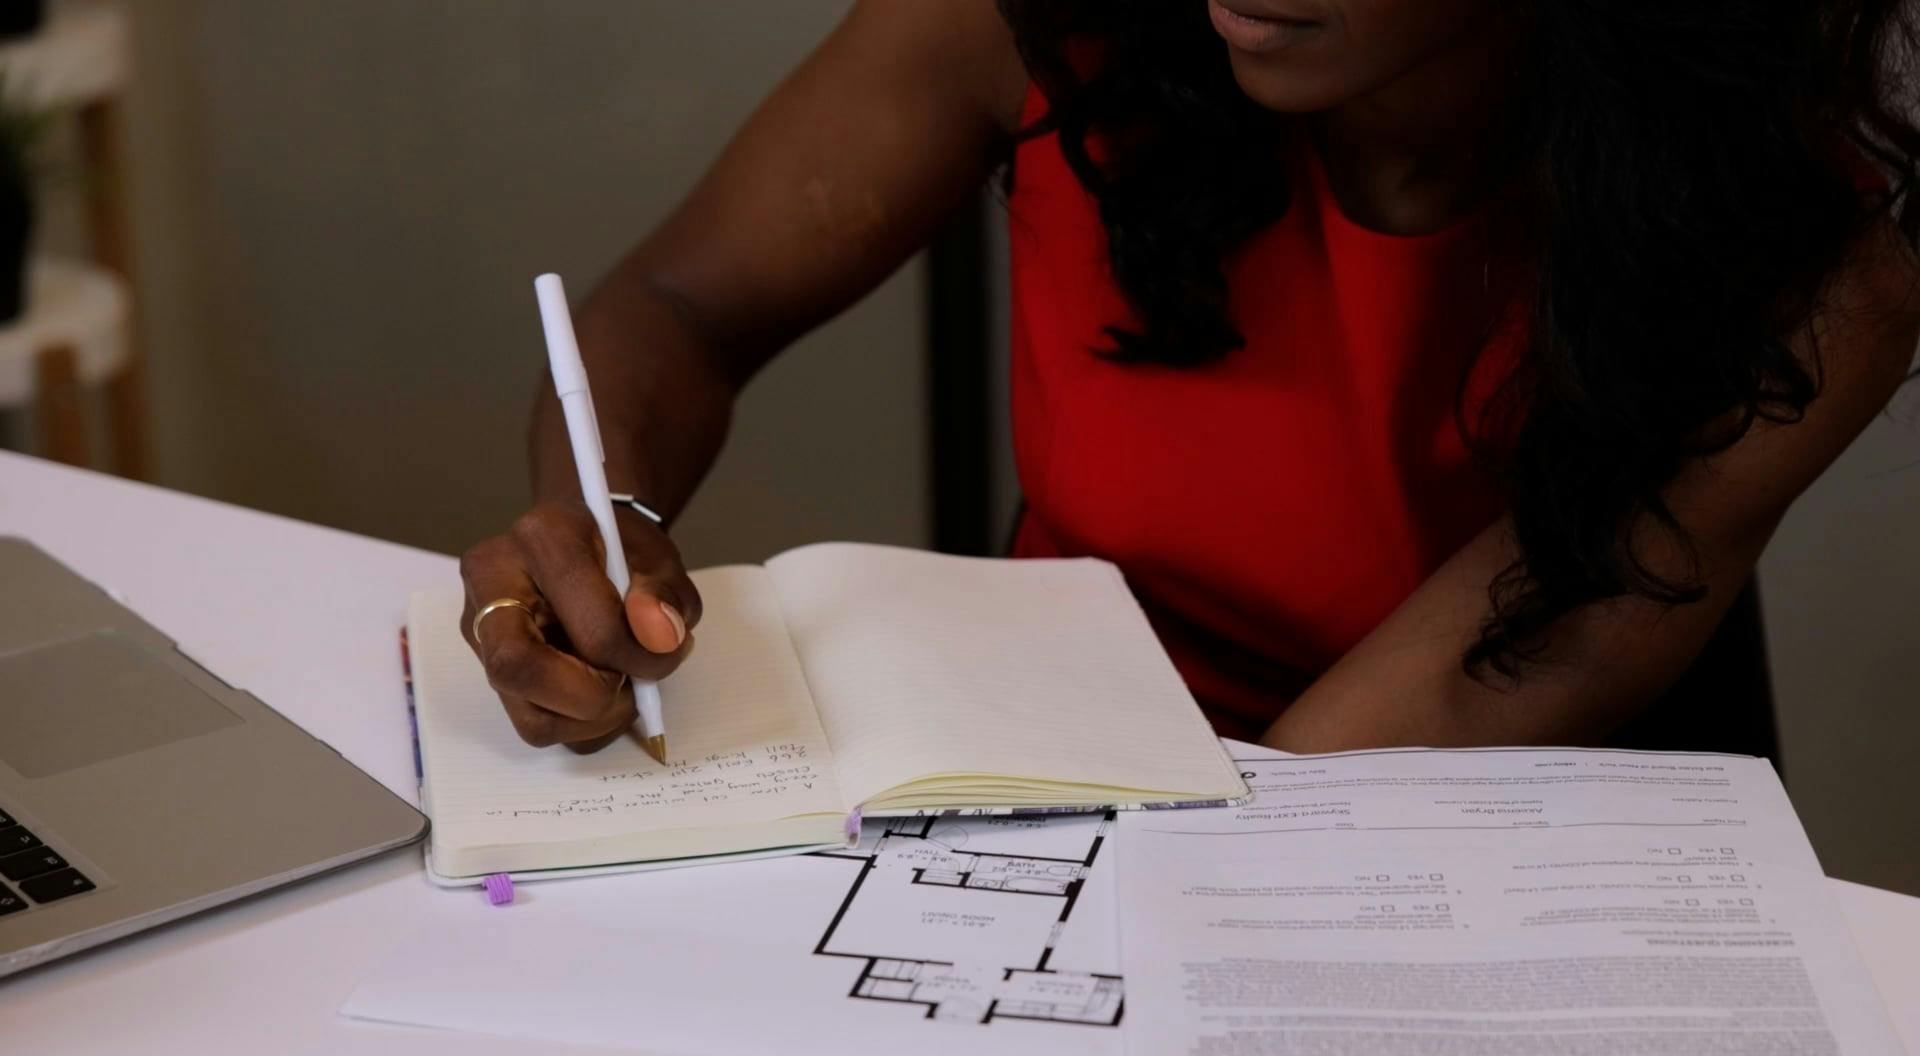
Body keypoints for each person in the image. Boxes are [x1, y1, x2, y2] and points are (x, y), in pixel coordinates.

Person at [457, 0, 1920, 756]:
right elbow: (677, 306)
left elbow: (1500, 674)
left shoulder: (1812, 228)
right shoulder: (1031, 19)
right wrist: (607, 526)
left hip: (1493, 829)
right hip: (1058, 759)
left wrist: (1149, 915)